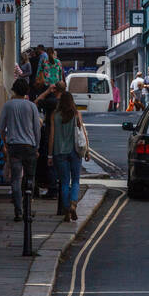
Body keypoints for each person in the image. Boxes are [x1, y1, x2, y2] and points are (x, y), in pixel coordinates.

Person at [0, 76, 42, 222]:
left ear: (14, 89)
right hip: (29, 147)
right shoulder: (31, 106)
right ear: (26, 91)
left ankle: (18, 212)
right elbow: (37, 129)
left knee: (16, 180)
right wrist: (37, 147)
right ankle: (27, 209)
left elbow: (1, 128)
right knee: (30, 178)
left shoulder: (8, 105)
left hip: (14, 147)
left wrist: (6, 143)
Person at [49, 89, 89, 222]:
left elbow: (52, 136)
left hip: (59, 152)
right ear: (72, 101)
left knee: (64, 182)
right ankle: (73, 204)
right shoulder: (76, 114)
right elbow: (82, 133)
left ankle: (67, 209)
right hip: (75, 152)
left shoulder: (55, 115)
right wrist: (87, 150)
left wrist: (49, 155)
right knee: (76, 180)